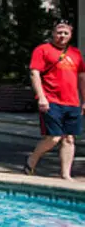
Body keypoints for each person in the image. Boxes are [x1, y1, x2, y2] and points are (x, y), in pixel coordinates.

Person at [25, 20, 85, 179]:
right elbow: (35, 73)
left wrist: (84, 100)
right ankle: (32, 159)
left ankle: (66, 174)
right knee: (54, 137)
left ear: (70, 35)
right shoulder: (42, 50)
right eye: (59, 32)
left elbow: (81, 77)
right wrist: (41, 97)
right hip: (51, 100)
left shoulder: (75, 53)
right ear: (53, 33)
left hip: (72, 102)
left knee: (69, 139)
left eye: (66, 33)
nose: (62, 36)